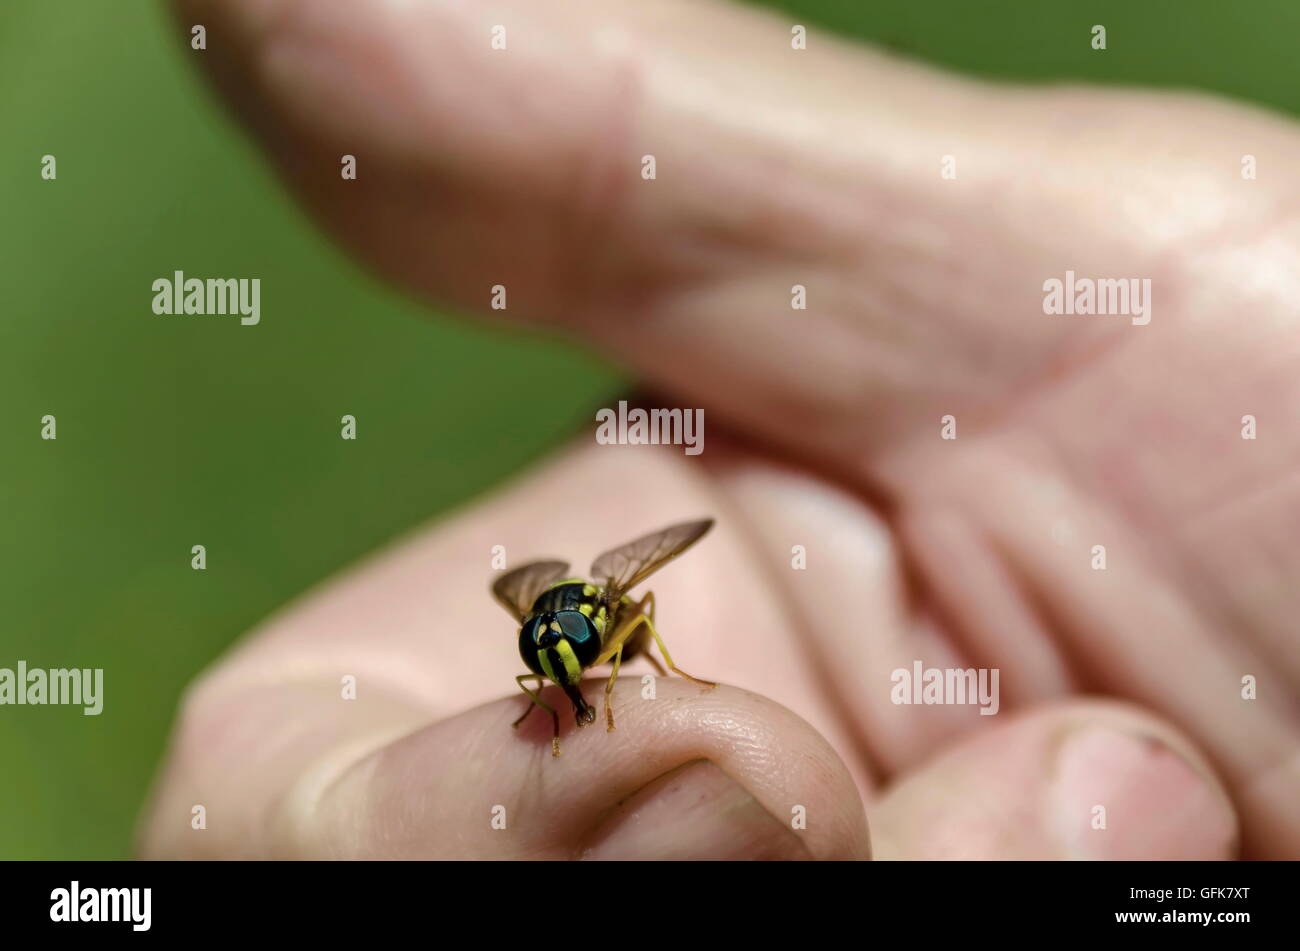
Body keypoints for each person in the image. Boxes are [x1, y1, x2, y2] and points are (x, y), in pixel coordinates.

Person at [141, 0, 1299, 859]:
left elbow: (608, 605)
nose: (561, 669)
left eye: (563, 661)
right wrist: (555, 690)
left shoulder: (605, 614)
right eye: (556, 662)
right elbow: (537, 622)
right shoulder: (551, 636)